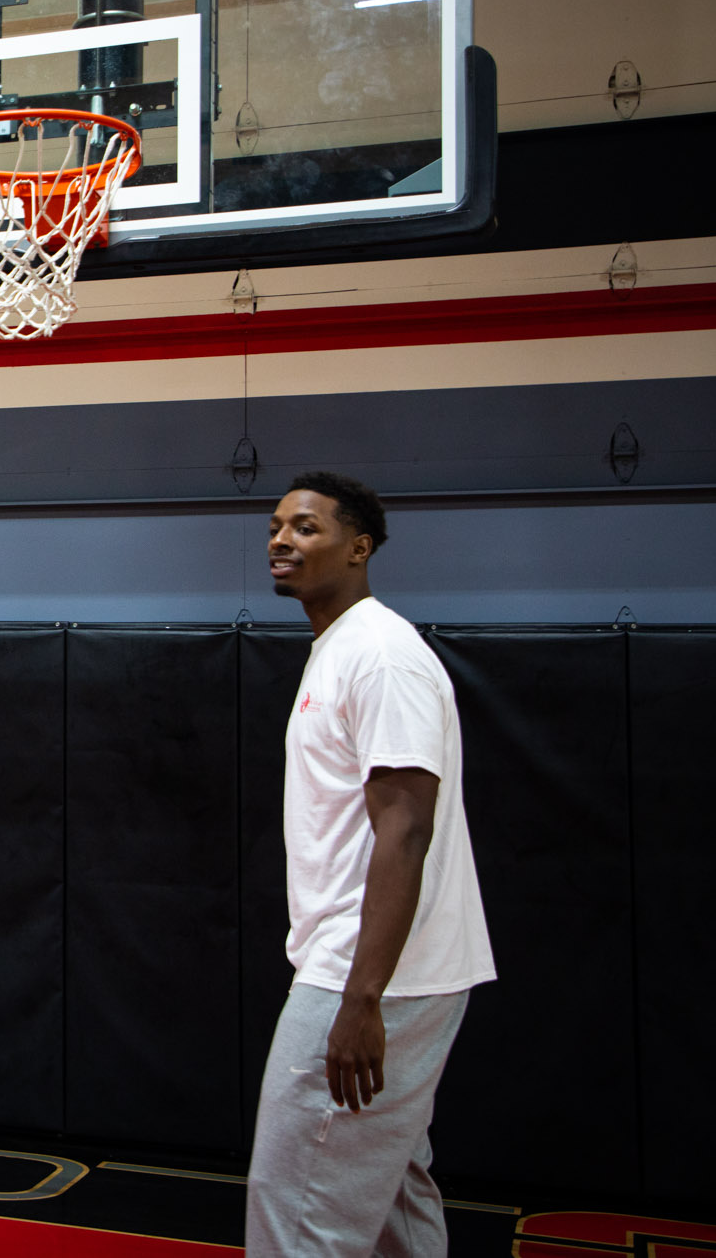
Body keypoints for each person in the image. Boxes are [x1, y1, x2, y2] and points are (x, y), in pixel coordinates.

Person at [245, 473, 496, 1257]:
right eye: (276, 525)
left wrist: (361, 998)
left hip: (366, 975)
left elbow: (406, 829)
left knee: (297, 1216)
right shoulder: (342, 647)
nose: (281, 539)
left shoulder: (382, 655)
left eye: (306, 527)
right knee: (392, 1201)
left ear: (359, 548)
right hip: (381, 970)